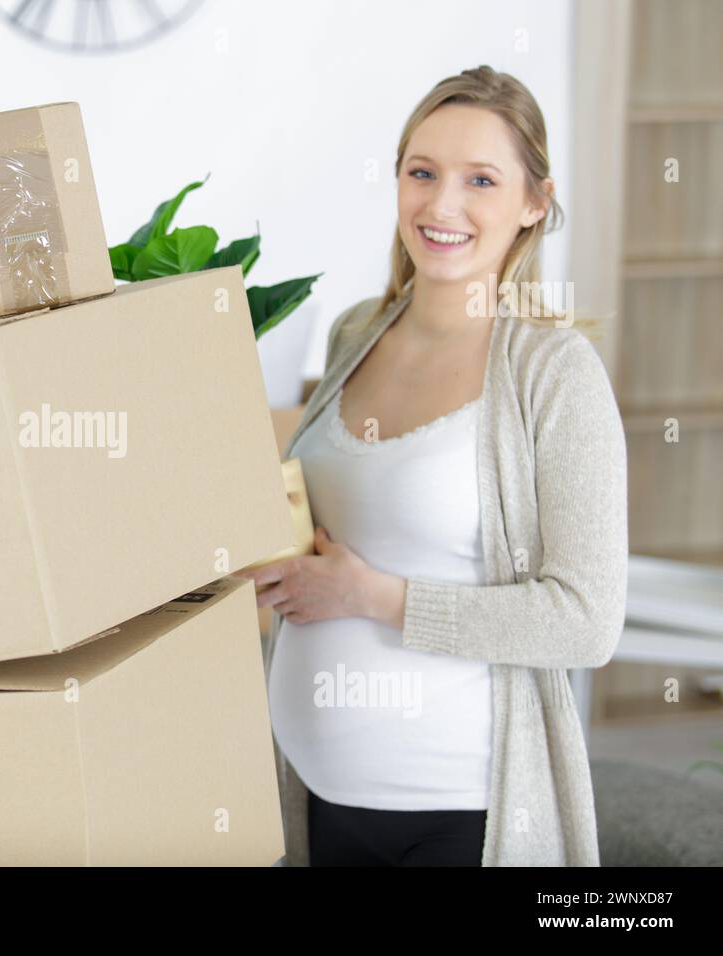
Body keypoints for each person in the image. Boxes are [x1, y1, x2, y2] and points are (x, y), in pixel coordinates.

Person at [237, 66, 627, 866]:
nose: (441, 205)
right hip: (316, 804)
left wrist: (372, 597)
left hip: (462, 817)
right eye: (423, 173)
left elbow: (587, 620)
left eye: (480, 180)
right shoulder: (357, 333)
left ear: (533, 203)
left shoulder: (555, 373)